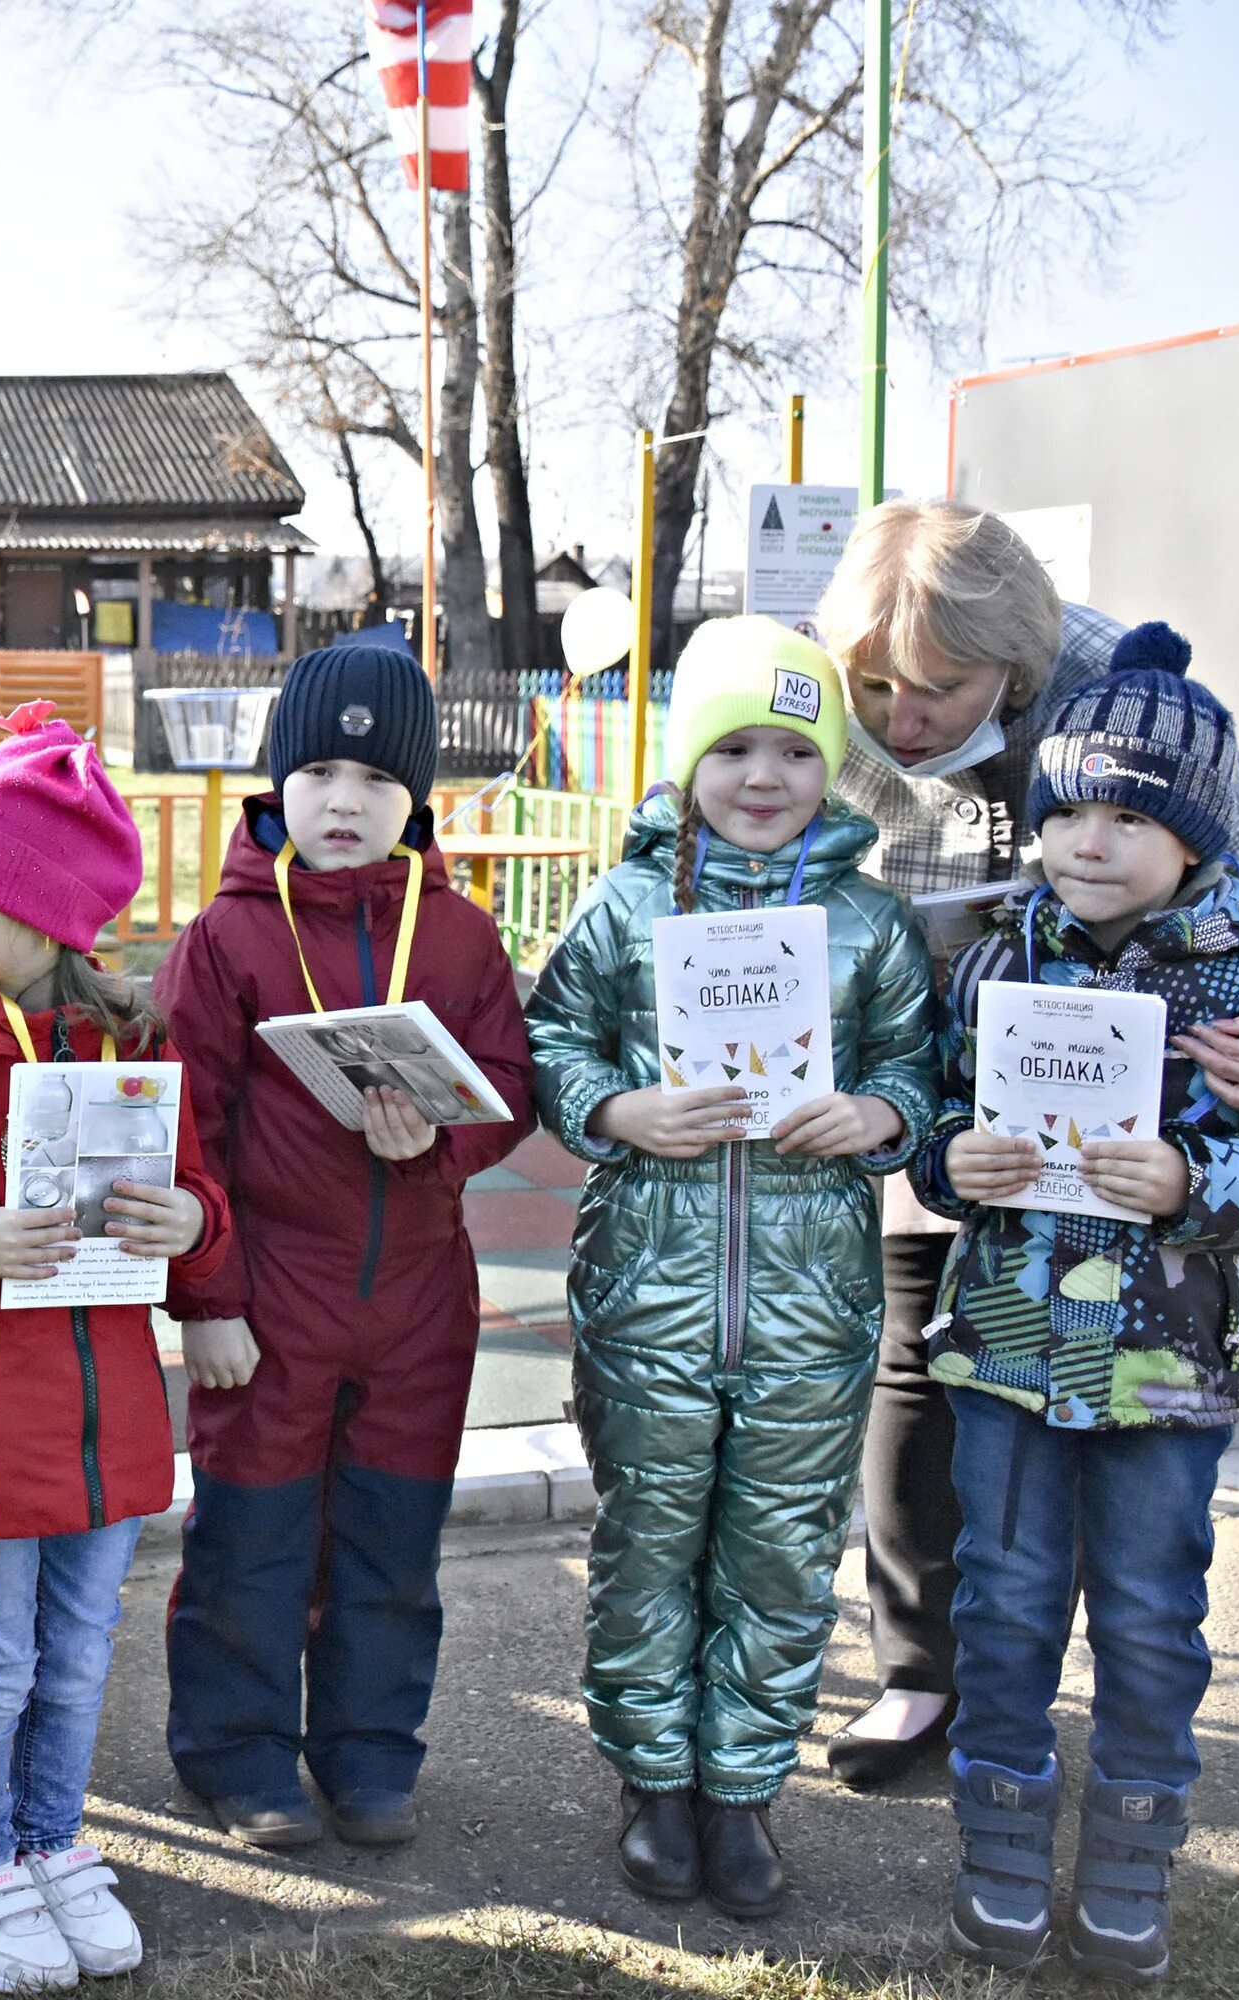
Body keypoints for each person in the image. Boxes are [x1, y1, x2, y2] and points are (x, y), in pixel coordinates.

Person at [817, 500, 1239, 1786]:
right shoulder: (833, 696)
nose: (901, 720)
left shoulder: (1116, 687)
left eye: (941, 691)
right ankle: (922, 1672)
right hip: (942, 1067)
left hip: (1137, 1103)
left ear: (1018, 668)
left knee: (1119, 1457)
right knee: (920, 1358)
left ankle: (1091, 1700)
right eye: (874, 687)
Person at [912, 625, 1239, 1981]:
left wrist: (1190, 1178)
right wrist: (955, 1163)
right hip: (1003, 1356)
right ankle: (997, 1843)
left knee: (1152, 1611)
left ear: (1197, 838)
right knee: (1000, 1604)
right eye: (1068, 811)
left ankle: (1131, 1856)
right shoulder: (998, 961)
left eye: (1130, 816)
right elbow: (938, 1131)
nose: (1090, 843)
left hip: (1167, 1374)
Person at [524, 618, 938, 1917]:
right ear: (686, 761)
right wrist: (612, 1110)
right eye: (733, 749)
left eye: (793, 751)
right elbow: (553, 1039)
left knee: (778, 1552)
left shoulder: (868, 923)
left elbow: (918, 1069)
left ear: (830, 767)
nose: (764, 777)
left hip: (812, 1309)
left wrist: (879, 1116)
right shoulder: (629, 905)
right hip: (650, 1294)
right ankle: (656, 1783)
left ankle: (743, 1787)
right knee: (650, 1545)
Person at [0, 703, 233, 1991]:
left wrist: (190, 1216)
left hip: (112, 1418)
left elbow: (194, 1196)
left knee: (77, 1657)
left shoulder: (130, 1045)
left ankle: (50, 1841)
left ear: (45, 914)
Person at [154, 639, 536, 1850]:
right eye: (317, 769)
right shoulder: (225, 940)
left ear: (415, 797)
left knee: (391, 1545)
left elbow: (511, 1087)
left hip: (423, 1301)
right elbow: (182, 1125)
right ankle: (239, 1756)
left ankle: (371, 1754)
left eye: (376, 777)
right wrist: (208, 1296)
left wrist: (443, 1139)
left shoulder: (465, 938)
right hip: (274, 1298)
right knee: (251, 1542)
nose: (343, 800)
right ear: (279, 784)